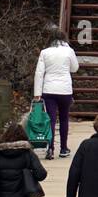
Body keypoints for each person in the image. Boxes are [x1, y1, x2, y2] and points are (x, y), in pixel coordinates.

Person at [33, 25, 78, 160]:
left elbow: (39, 73)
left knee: (51, 120)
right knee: (64, 118)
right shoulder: (69, 51)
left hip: (49, 90)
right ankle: (63, 148)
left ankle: (50, 148)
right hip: (65, 89)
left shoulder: (44, 52)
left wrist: (37, 93)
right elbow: (75, 68)